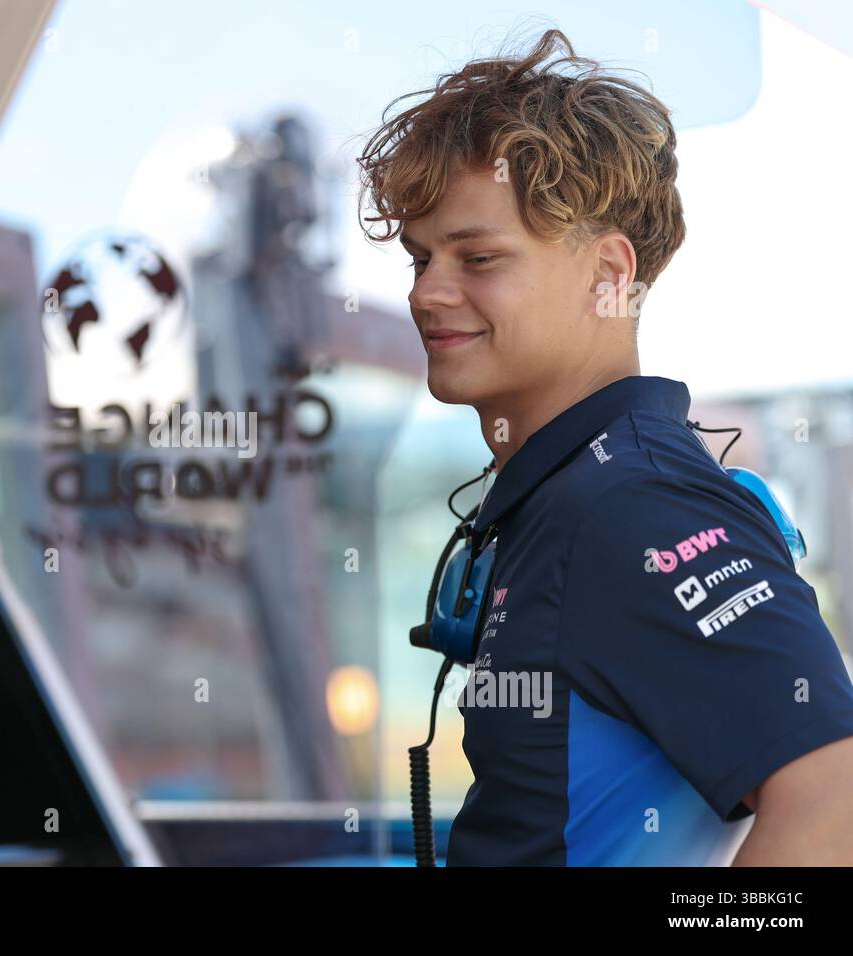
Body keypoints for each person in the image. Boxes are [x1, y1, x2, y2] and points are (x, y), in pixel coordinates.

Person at [357, 28, 853, 865]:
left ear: (609, 274)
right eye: (419, 257)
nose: (427, 294)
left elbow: (834, 792)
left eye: (478, 257)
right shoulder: (569, 493)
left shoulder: (631, 506)